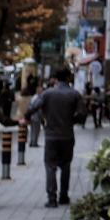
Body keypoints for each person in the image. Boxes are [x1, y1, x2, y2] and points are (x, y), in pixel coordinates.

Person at [22, 68, 86, 207]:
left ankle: (52, 198)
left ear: (55, 79)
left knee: (50, 166)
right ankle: (64, 196)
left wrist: (26, 117)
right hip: (67, 136)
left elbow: (33, 107)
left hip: (51, 136)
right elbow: (82, 115)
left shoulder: (47, 94)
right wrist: (71, 120)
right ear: (69, 78)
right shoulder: (75, 94)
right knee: (66, 166)